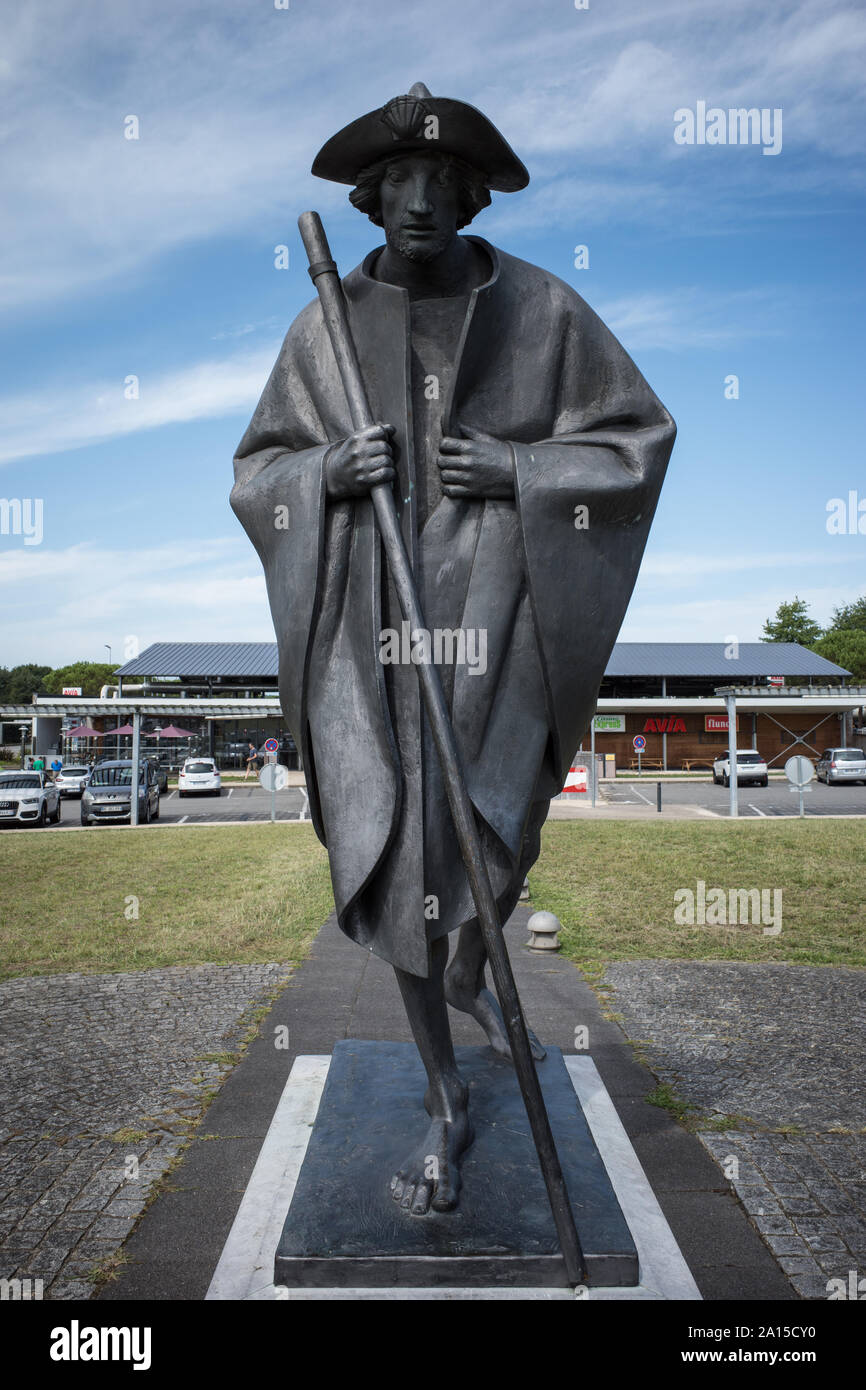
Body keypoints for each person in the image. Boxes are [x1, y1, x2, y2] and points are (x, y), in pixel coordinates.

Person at [232, 82, 675, 1215]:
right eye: (400, 184)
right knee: (395, 858)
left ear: (471, 193)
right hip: (366, 628)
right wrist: (326, 475)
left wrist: (521, 472)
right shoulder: (321, 330)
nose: (420, 202)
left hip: (498, 629)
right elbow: (260, 471)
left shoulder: (544, 311)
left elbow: (635, 438)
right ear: (372, 197)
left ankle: (478, 982)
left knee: (485, 850)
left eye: (442, 182)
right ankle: (445, 1090)